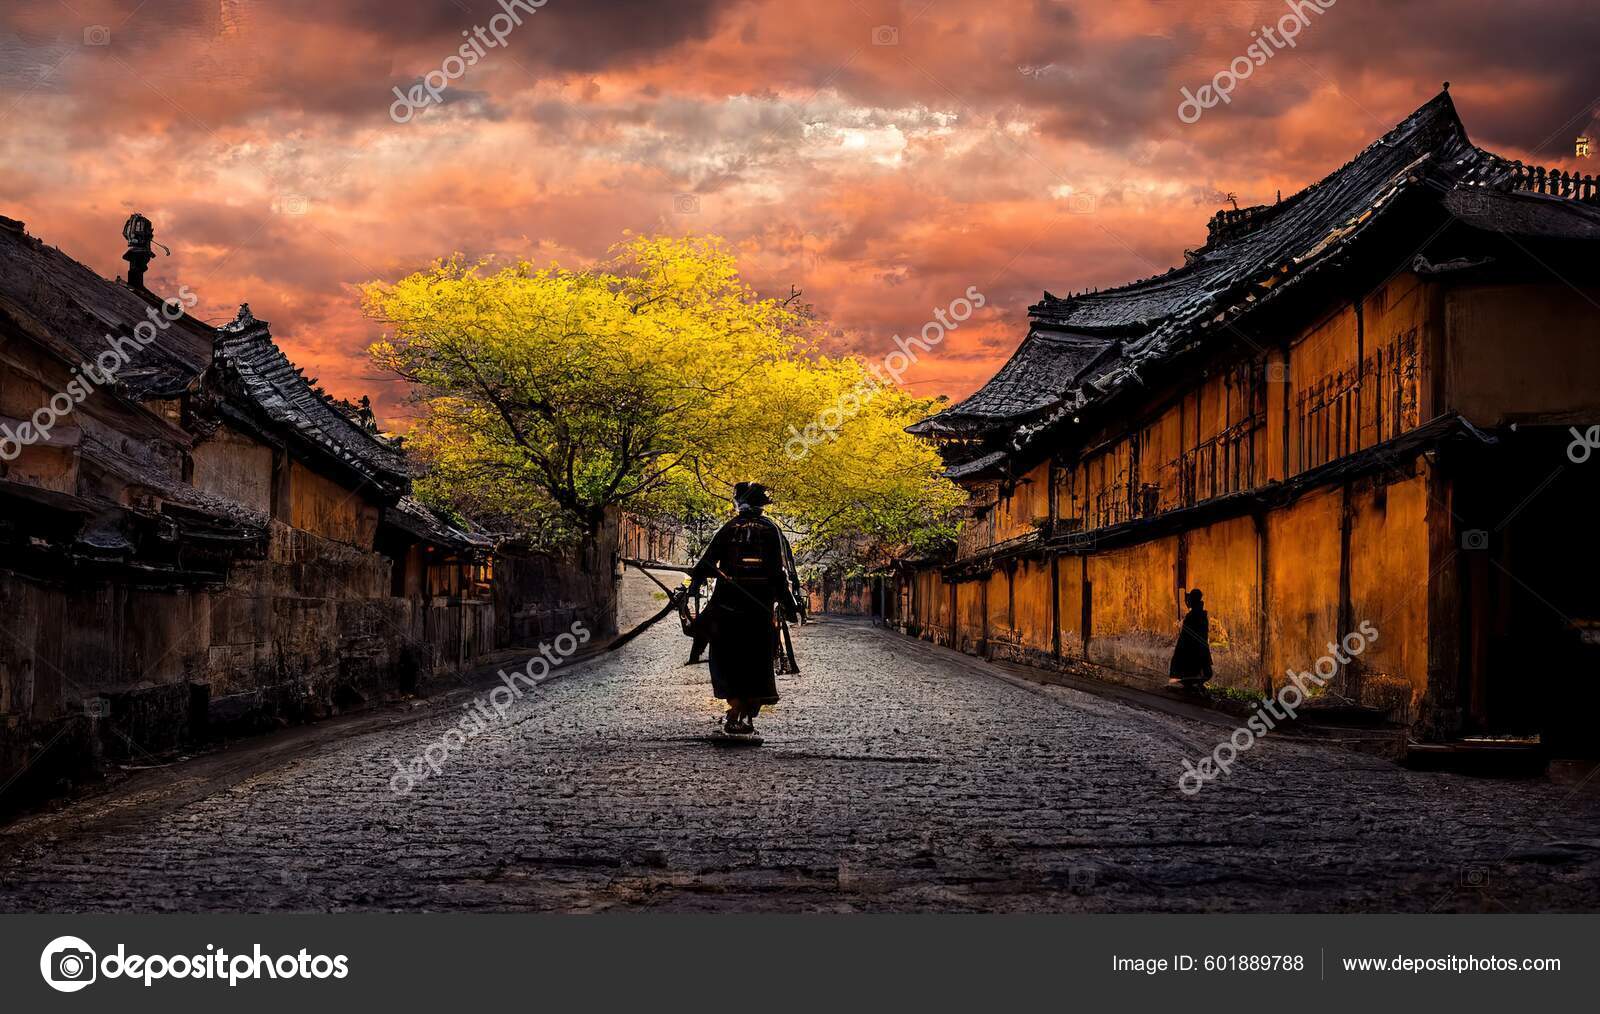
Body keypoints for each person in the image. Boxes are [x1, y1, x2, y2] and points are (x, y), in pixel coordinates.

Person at [687, 482, 799, 734]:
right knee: (757, 662)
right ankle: (746, 712)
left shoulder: (728, 529)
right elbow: (780, 574)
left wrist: (694, 584)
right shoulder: (773, 531)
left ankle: (735, 708)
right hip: (760, 613)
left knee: (725, 659)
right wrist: (790, 605)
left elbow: (705, 564)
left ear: (739, 503)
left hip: (727, 609)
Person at [1168, 588, 1214, 688]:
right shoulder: (1202, 615)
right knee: (1201, 672)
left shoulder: (1193, 616)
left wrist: (1180, 648)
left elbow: (1185, 636)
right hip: (1200, 648)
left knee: (1190, 672)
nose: (1188, 602)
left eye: (1190, 600)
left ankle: (1192, 685)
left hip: (1191, 649)